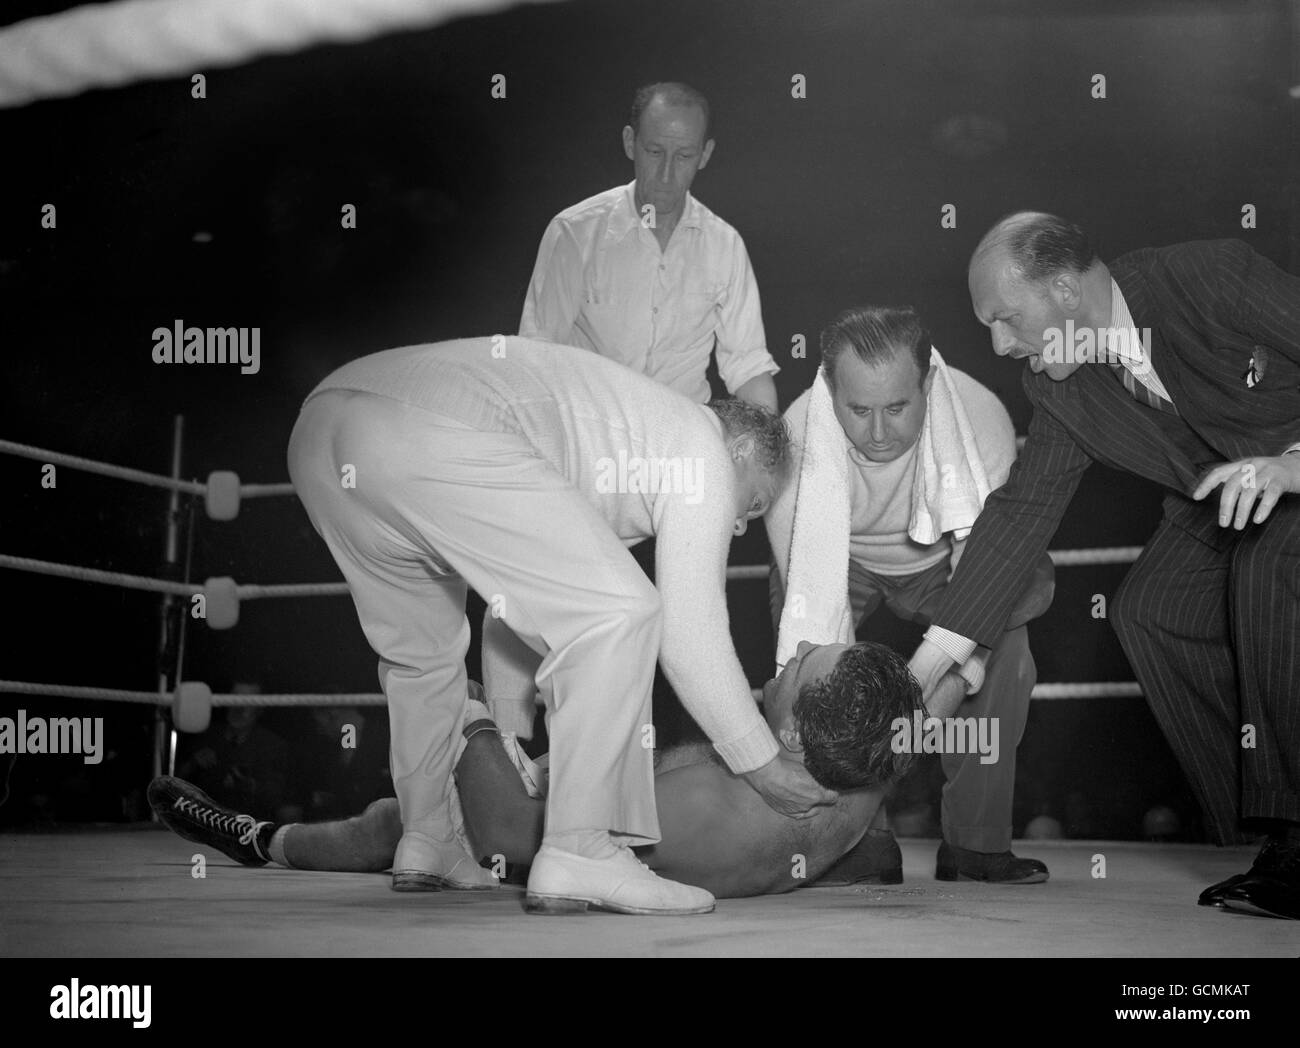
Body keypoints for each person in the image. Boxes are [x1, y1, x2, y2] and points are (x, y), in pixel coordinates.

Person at [287, 336, 834, 917]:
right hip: (426, 425)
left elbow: (514, 603)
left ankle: (428, 839)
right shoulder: (699, 443)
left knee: (423, 656)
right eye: (753, 505)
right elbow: (687, 628)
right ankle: (581, 847)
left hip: (325, 432)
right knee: (624, 611)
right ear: (743, 450)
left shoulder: (617, 452)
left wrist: (506, 729)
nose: (744, 527)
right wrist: (761, 762)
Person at [906, 211, 1300, 919]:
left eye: (1004, 318)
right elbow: (1020, 514)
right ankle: (1270, 834)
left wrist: (1290, 464)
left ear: (1062, 289)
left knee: (1266, 564)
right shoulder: (1059, 388)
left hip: (1291, 484)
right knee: (1150, 611)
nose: (998, 344)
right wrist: (928, 665)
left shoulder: (1207, 276)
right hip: (1227, 509)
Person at [149, 641, 974, 900]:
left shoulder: (707, 809)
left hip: (528, 823)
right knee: (399, 820)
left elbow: (512, 839)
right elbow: (931, 698)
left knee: (397, 818)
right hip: (583, 796)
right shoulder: (866, 775)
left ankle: (261, 840)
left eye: (799, 663)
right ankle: (268, 839)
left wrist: (463, 711)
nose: (788, 652)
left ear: (791, 736)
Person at [767, 305, 1054, 884]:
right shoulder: (796, 438)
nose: (877, 433)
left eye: (897, 408)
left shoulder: (981, 421)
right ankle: (854, 842)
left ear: (927, 384)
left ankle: (974, 842)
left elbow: (987, 584)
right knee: (805, 673)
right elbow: (809, 596)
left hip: (949, 562)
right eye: (858, 410)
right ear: (829, 388)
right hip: (838, 561)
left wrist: (909, 718)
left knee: (1011, 636)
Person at [519, 82, 779, 412]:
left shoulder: (725, 245)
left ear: (705, 154)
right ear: (630, 142)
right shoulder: (573, 234)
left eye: (684, 156)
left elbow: (748, 367)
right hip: (594, 430)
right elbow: (536, 357)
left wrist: (771, 448)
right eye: (655, 152)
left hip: (685, 437)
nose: (667, 175)